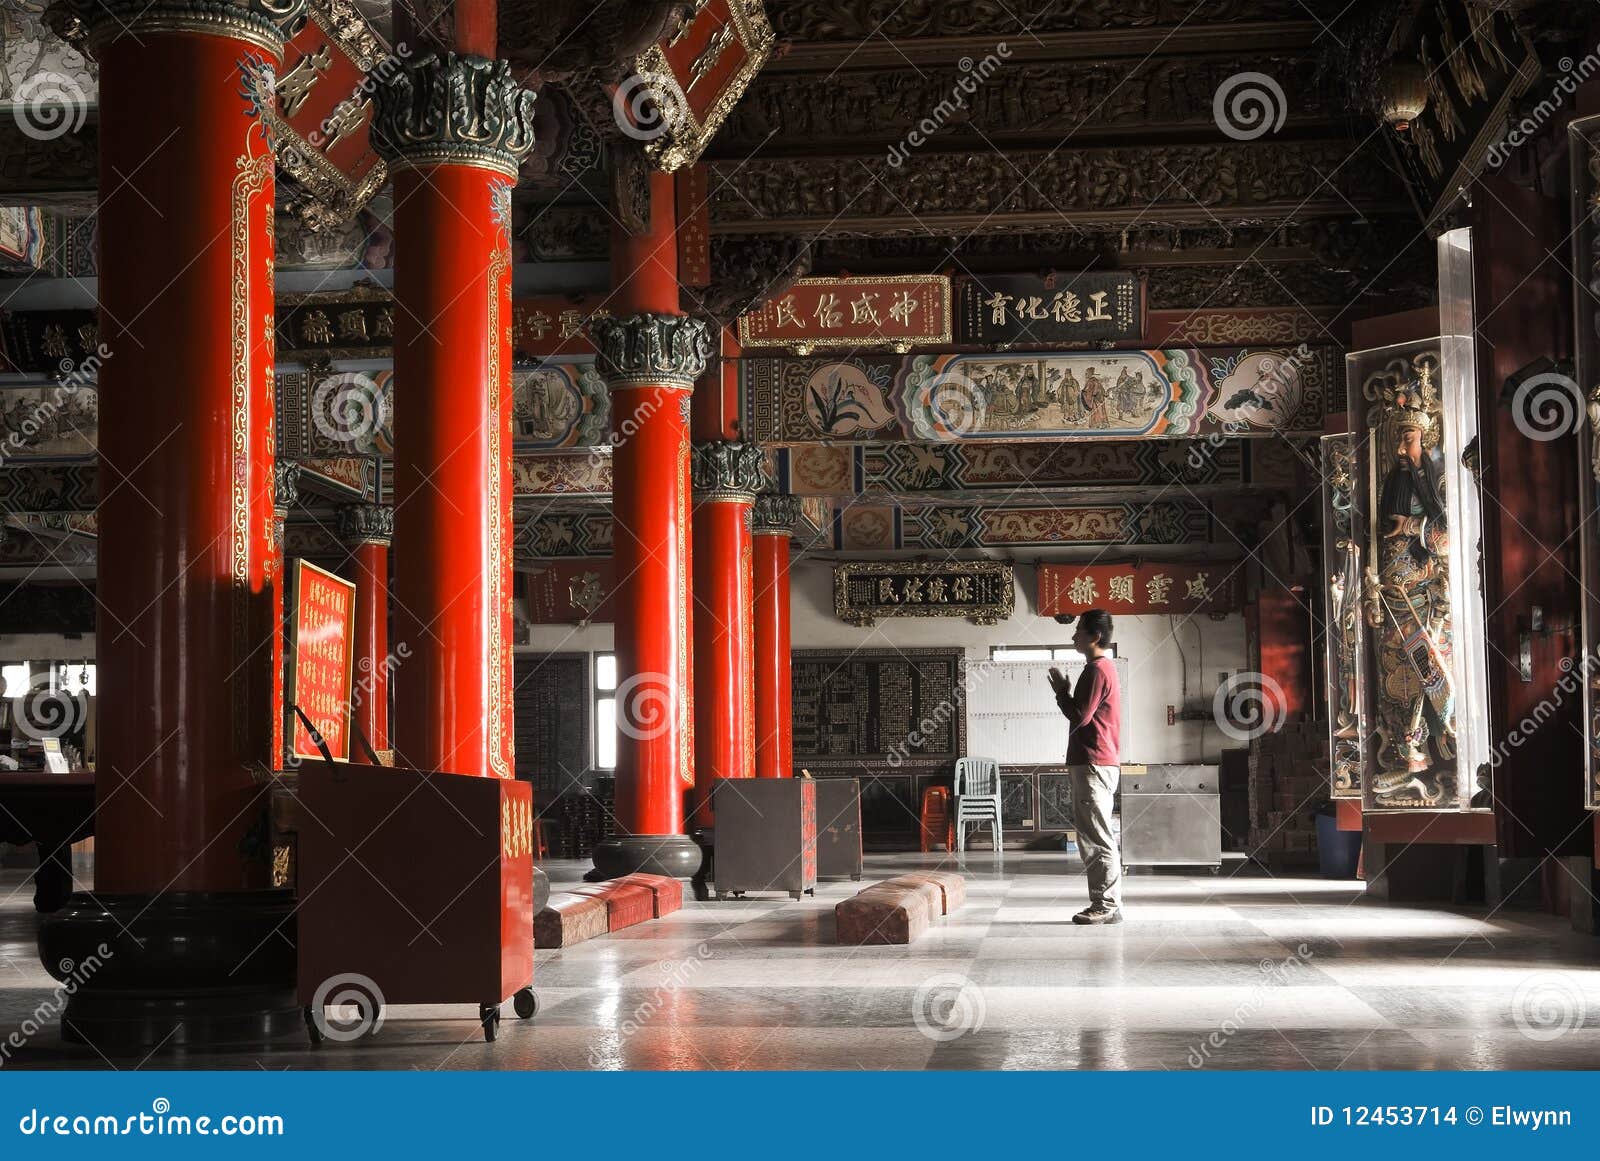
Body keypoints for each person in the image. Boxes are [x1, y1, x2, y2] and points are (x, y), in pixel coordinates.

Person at [1050, 608, 1123, 924]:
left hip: (1093, 762)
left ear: (1095, 636)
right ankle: (1109, 904)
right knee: (1095, 835)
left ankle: (1106, 906)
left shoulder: (1096, 670)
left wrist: (1061, 694)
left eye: (1079, 630)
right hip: (1097, 762)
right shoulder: (1103, 668)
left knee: (1096, 837)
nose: (1073, 635)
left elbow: (1080, 716)